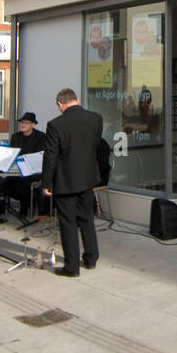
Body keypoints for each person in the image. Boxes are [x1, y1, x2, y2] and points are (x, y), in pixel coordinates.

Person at [42, 88, 104, 277]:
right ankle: (91, 258)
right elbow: (95, 145)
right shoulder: (96, 118)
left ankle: (71, 267)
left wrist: (46, 183)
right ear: (76, 100)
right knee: (86, 218)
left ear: (61, 104)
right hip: (87, 177)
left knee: (68, 222)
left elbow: (51, 156)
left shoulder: (55, 125)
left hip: (66, 180)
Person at [2, 111, 48, 216]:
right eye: (22, 123)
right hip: (17, 169)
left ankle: (26, 206)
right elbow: (12, 153)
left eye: (26, 123)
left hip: (33, 170)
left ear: (33, 124)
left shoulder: (41, 137)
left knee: (23, 183)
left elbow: (39, 156)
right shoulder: (16, 137)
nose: (23, 125)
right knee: (3, 184)